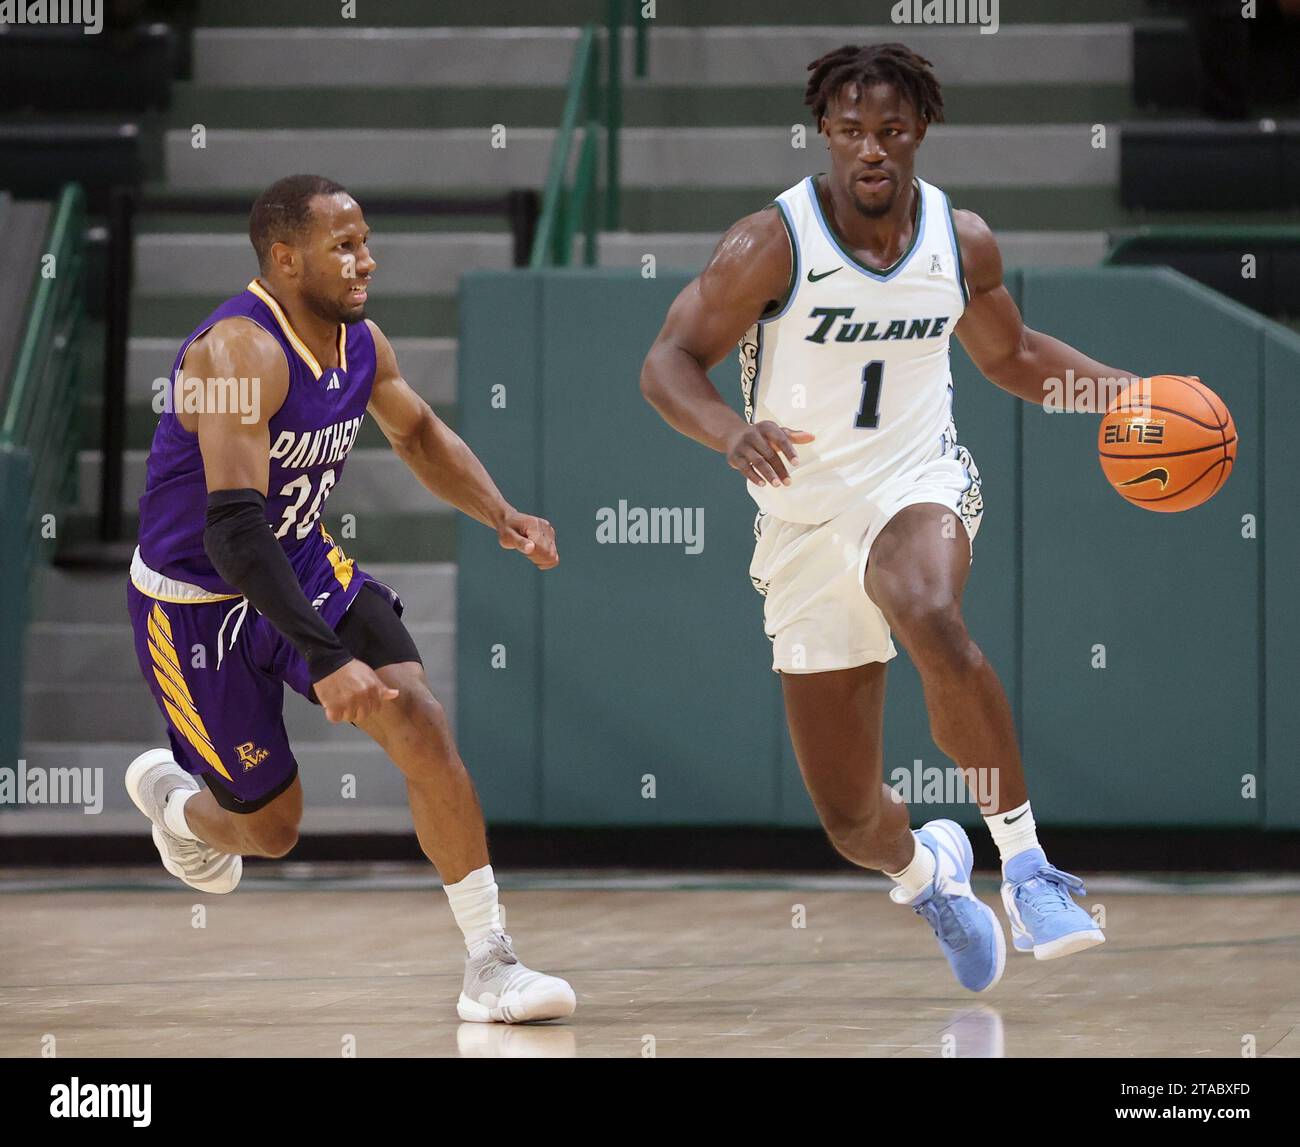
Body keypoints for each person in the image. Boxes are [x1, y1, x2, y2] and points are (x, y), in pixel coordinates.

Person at [641, 45, 1139, 992]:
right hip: (800, 518)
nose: (872, 148)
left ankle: (1029, 867)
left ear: (920, 133)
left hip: (918, 480)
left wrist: (1131, 393)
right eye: (852, 131)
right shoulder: (769, 243)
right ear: (824, 134)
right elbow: (666, 361)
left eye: (892, 130)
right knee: (849, 818)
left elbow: (1016, 356)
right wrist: (728, 431)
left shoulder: (962, 240)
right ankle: (930, 875)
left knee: (929, 608)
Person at [124, 174, 574, 1023]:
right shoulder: (233, 352)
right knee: (272, 829)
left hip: (300, 564)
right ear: (286, 259)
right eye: (345, 245)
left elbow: (417, 432)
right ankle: (180, 811)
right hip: (195, 605)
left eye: (365, 240)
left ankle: (490, 962)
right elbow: (231, 530)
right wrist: (328, 660)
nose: (367, 260)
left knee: (421, 722)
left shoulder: (358, 341)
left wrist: (502, 513)